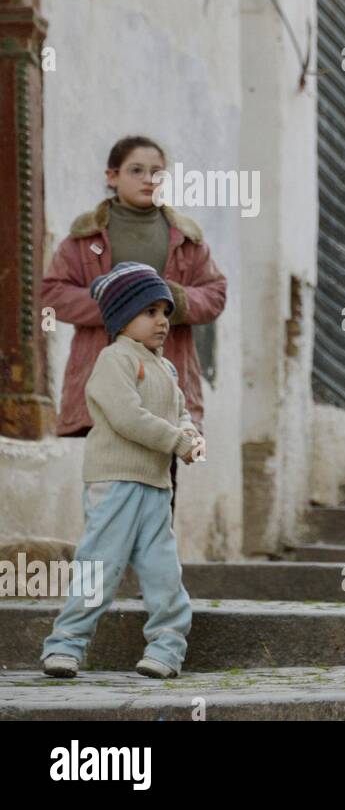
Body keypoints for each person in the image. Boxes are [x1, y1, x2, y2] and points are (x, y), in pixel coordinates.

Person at [42, 136, 227, 516]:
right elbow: (53, 293)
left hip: (166, 370)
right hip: (108, 368)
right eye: (136, 170)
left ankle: (153, 566)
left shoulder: (187, 239)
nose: (148, 179)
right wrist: (117, 302)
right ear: (112, 176)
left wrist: (176, 300)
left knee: (162, 481)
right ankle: (113, 565)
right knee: (111, 481)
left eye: (157, 172)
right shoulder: (84, 239)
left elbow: (216, 292)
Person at [42, 263, 204, 680]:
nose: (162, 321)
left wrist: (190, 433)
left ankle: (167, 649)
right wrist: (176, 441)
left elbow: (181, 413)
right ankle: (65, 645)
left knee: (163, 571)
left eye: (165, 312)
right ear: (121, 317)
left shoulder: (166, 369)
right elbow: (127, 417)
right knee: (100, 565)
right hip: (114, 482)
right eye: (149, 311)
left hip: (154, 485)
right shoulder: (115, 360)